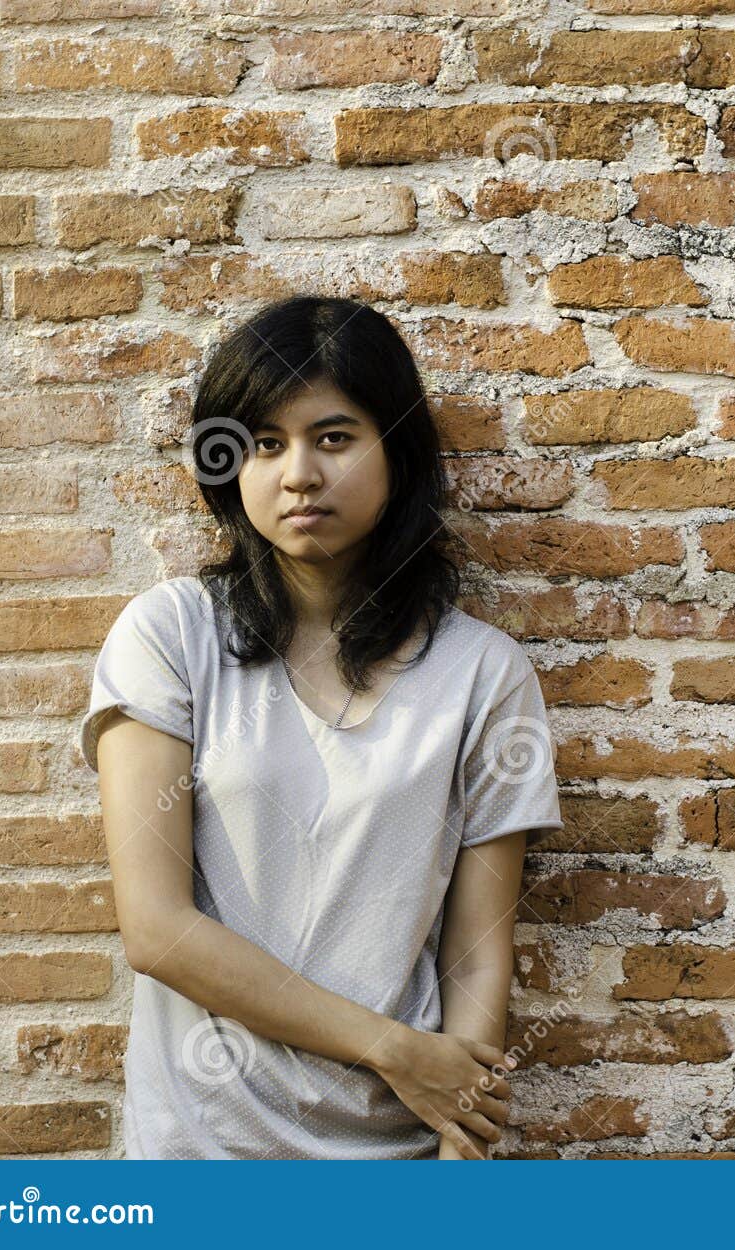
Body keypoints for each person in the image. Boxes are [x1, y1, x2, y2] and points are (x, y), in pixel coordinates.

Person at [78, 294, 563, 1159]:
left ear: (397, 453)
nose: (298, 472)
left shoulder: (484, 675)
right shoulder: (170, 637)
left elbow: (478, 956)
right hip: (206, 1151)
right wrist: (394, 1048)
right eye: (265, 443)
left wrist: (462, 1153)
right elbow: (155, 928)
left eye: (333, 438)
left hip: (402, 1152)